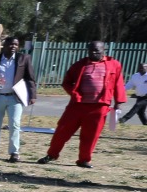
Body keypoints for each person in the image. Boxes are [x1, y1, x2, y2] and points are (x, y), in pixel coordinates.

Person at [37, 41, 126, 169]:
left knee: (90, 135)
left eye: (96, 50)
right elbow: (67, 82)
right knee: (62, 131)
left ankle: (84, 160)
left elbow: (118, 83)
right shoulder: (79, 65)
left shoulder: (114, 65)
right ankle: (51, 154)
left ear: (104, 50)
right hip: (77, 105)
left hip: (99, 107)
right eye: (90, 50)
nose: (93, 53)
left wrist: (118, 103)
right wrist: (74, 94)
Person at [0, 36, 36, 162]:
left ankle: (14, 153)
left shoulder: (24, 59)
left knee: (15, 125)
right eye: (11, 44)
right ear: (4, 46)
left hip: (14, 98)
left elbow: (30, 78)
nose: (13, 47)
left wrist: (32, 95)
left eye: (16, 45)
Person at [118, 62, 147, 126]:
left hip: (146, 97)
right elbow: (129, 85)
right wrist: (121, 90)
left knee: (137, 105)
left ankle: (124, 119)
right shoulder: (135, 76)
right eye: (140, 67)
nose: (142, 69)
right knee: (140, 112)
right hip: (139, 96)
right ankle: (145, 124)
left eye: (144, 67)